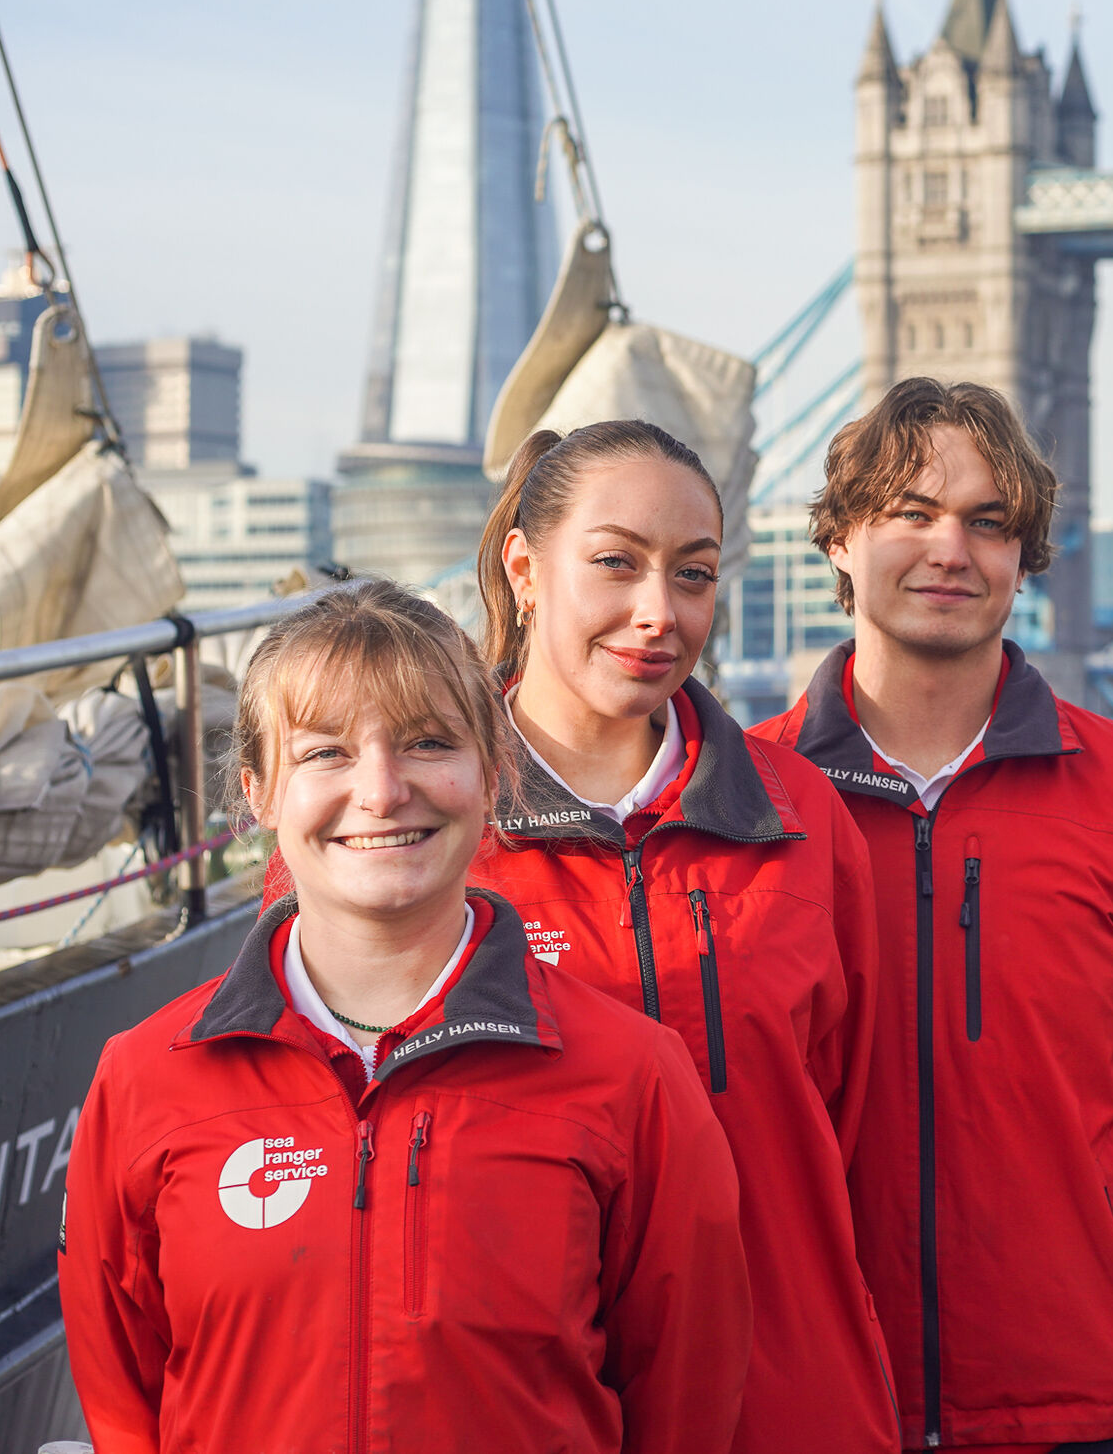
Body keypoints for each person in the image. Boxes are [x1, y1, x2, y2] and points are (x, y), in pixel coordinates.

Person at [59, 579, 751, 1454]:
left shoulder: (630, 1076)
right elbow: (126, 1409)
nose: (382, 791)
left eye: (428, 743)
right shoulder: (147, 1077)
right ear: (258, 792)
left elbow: (686, 1399)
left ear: (493, 772)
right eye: (325, 754)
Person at [752, 377, 1113, 1453]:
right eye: (911, 514)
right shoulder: (755, 800)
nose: (951, 550)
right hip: (822, 1392)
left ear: (1025, 556)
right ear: (839, 540)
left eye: (988, 523)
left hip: (1073, 1390)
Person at [468, 420, 898, 1454]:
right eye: (615, 563)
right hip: (520, 1408)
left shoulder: (800, 814)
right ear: (525, 568)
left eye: (694, 575)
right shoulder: (417, 823)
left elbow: (845, 1113)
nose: (658, 614)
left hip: (789, 1403)